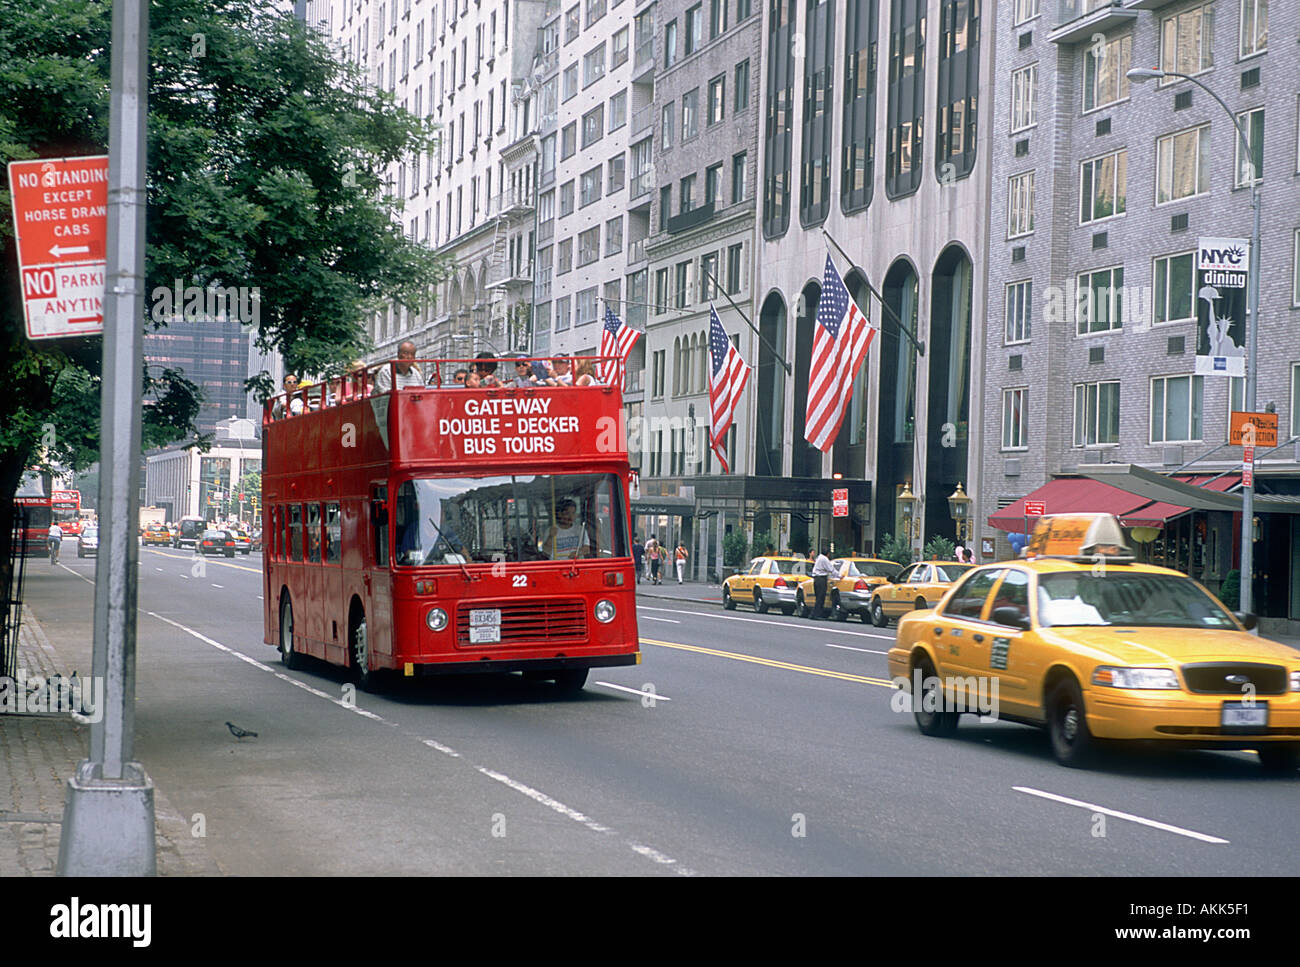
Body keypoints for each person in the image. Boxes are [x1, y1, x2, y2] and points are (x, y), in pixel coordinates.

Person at [811, 543, 833, 619]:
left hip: (816, 579)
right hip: (821, 579)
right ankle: (817, 614)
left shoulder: (819, 557)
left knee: (818, 597)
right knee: (821, 597)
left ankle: (814, 614)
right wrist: (840, 576)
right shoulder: (825, 559)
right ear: (828, 553)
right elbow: (831, 569)